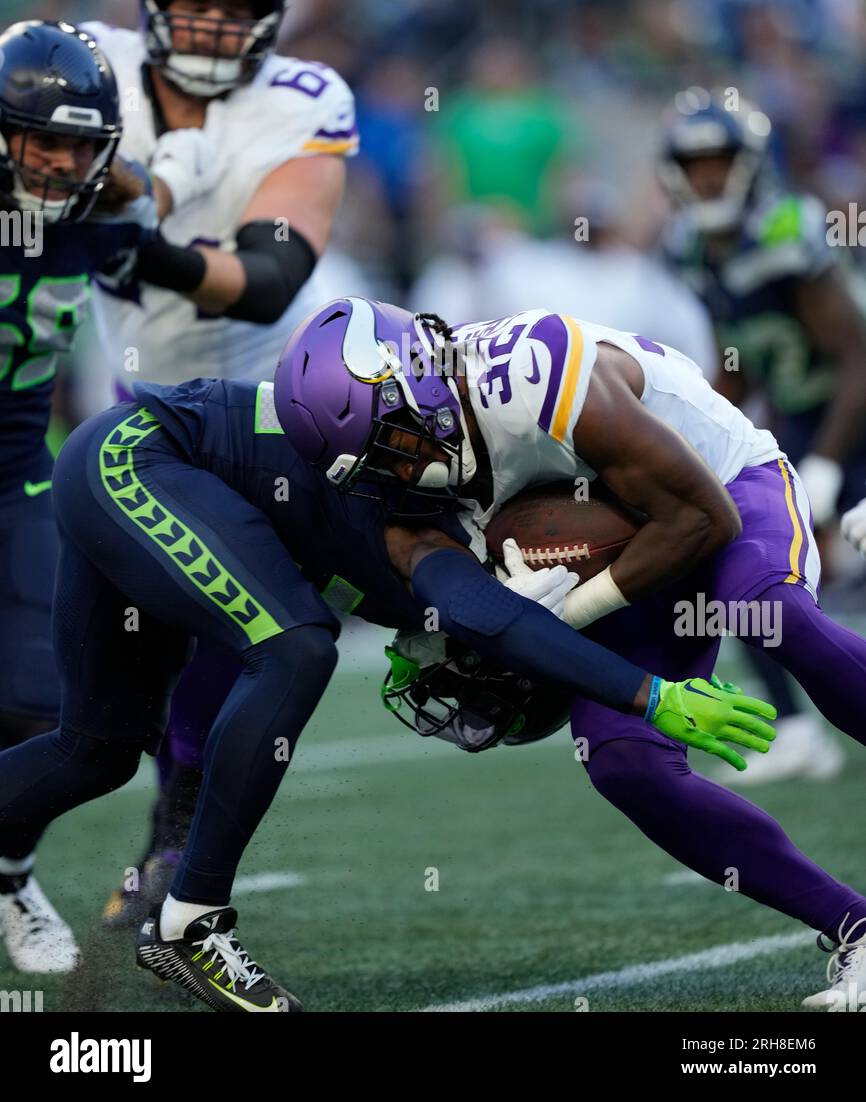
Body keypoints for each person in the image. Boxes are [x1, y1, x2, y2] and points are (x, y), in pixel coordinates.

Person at [0, 375, 768, 1012]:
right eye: (487, 687)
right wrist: (651, 697)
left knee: (94, 749)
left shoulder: (465, 546)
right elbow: (495, 618)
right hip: (136, 457)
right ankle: (189, 925)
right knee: (296, 645)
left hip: (130, 470)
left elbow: (498, 620)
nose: (460, 693)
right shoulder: (450, 537)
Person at [274, 296, 866, 1008]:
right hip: (628, 550)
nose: (398, 475)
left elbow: (704, 518)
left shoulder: (533, 375)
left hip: (724, 485)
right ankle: (853, 925)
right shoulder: (394, 492)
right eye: (375, 467)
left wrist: (570, 611)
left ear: (422, 377)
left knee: (770, 612)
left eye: (396, 444)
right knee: (623, 760)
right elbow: (471, 601)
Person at [83, 0, 364, 921]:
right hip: (119, 386)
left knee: (244, 627)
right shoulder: (85, 65)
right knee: (128, 640)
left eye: (230, 6)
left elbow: (266, 280)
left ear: (269, 19)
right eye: (188, 2)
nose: (206, 23)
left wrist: (140, 247)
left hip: (259, 407)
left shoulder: (299, 103)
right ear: (150, 7)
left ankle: (182, 830)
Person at [0, 19, 155, 972]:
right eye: (40, 139)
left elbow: (151, 198)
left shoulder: (101, 213)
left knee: (58, 706)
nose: (59, 164)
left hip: (18, 468)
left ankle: (11, 872)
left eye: (78, 146)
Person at [659, 89, 861, 782]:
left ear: (750, 164)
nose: (708, 178)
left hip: (850, 414)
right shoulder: (688, 245)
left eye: (719, 162)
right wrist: (690, 434)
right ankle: (799, 730)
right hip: (804, 422)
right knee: (738, 565)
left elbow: (857, 355)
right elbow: (739, 364)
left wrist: (830, 464)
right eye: (695, 164)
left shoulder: (786, 228)